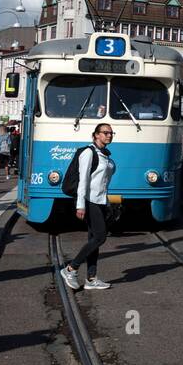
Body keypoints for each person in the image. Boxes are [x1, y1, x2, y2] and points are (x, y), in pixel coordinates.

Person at [60, 123, 116, 291]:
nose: (109, 135)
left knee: (94, 240)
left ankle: (91, 278)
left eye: (111, 133)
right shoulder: (88, 152)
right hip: (89, 200)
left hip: (99, 201)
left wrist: (106, 201)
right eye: (105, 133)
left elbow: (103, 182)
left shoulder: (105, 155)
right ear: (96, 135)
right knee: (100, 237)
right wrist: (80, 205)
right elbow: (83, 180)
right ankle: (71, 268)